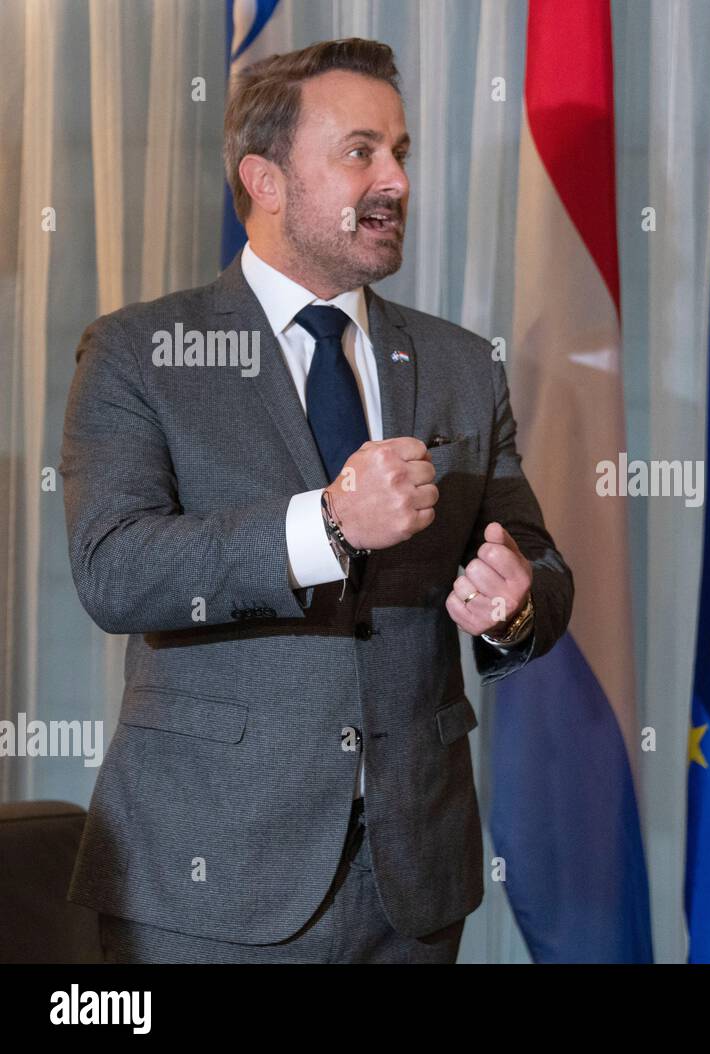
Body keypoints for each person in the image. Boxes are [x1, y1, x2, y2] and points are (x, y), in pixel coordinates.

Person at [60, 38, 572, 963]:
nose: (396, 181)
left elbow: (534, 554)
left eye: (402, 153)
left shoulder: (459, 362)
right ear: (264, 178)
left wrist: (517, 601)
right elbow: (115, 570)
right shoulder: (139, 351)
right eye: (360, 151)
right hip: (205, 879)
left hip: (414, 880)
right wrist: (326, 526)